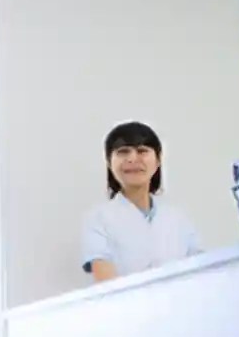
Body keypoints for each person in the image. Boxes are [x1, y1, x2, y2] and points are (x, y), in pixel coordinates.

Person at [81, 121, 201, 283]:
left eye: (142, 151)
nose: (132, 159)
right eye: (123, 152)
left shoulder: (179, 219)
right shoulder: (98, 220)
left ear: (158, 161)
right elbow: (107, 286)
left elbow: (199, 274)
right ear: (109, 163)